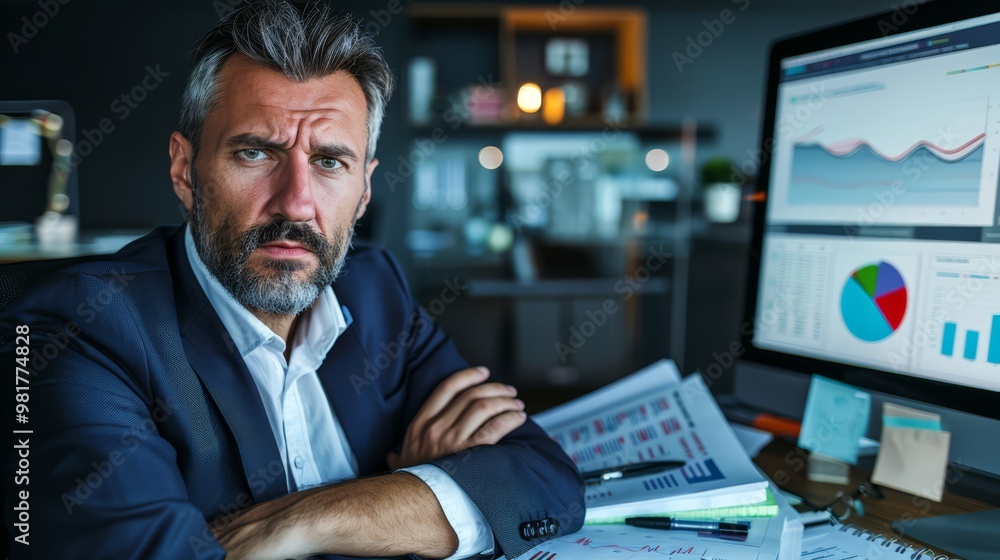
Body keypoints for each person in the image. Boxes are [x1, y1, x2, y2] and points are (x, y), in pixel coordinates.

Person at [1, 2, 584, 558]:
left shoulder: (377, 290)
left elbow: (542, 479)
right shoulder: (75, 328)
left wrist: (296, 522)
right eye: (255, 154)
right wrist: (409, 496)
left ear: (365, 189)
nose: (297, 204)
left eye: (330, 162)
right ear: (185, 171)